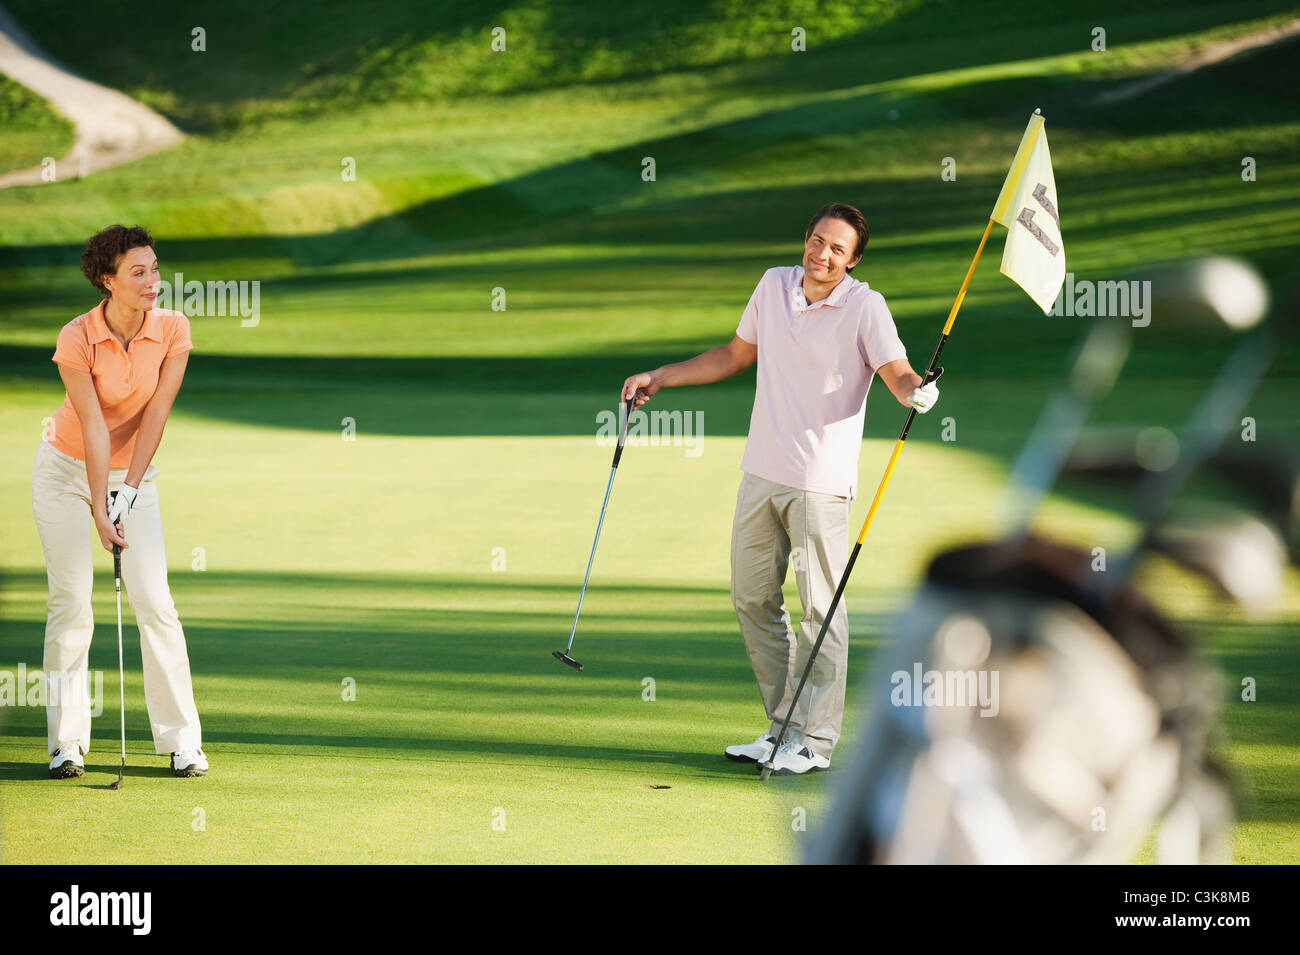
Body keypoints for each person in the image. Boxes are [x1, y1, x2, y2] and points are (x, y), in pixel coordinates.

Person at [621, 202, 939, 775]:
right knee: (751, 598)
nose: (822, 254)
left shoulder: (867, 307)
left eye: (837, 249)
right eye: (817, 241)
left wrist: (919, 391)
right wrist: (660, 377)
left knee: (821, 611)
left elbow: (898, 374)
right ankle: (783, 729)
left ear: (854, 259)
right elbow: (733, 356)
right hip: (762, 472)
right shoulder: (773, 286)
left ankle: (815, 743)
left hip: (820, 483)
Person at [33, 224, 208, 779]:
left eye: (155, 268)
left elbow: (156, 415)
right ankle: (67, 743)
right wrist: (98, 505)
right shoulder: (76, 337)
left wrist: (126, 493)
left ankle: (183, 742)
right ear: (107, 280)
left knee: (155, 602)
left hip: (133, 475)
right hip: (66, 472)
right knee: (72, 603)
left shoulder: (174, 330)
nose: (153, 280)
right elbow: (90, 425)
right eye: (139, 272)